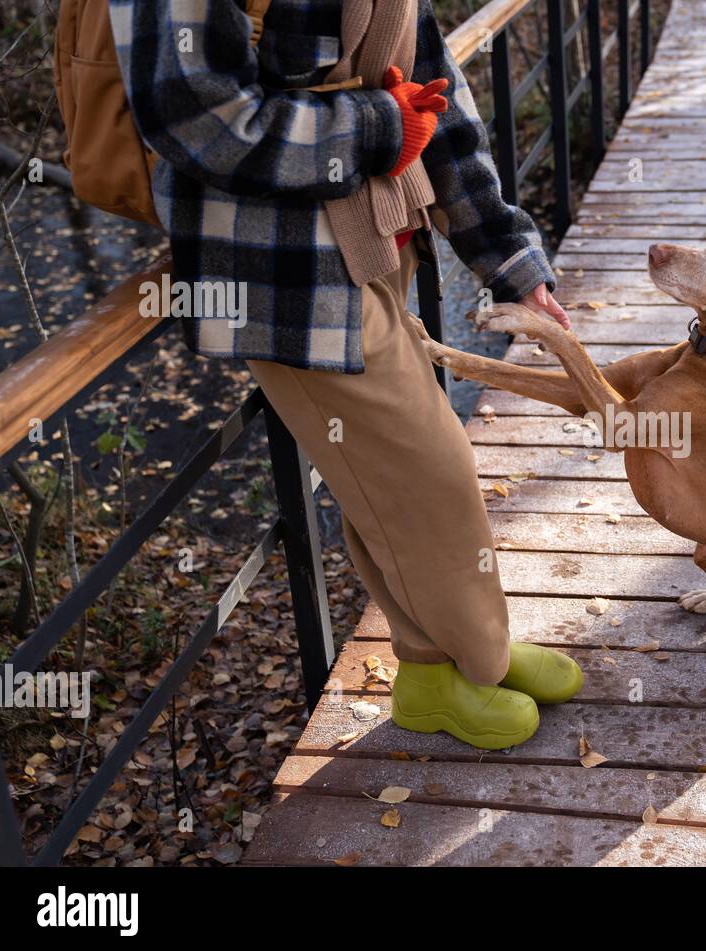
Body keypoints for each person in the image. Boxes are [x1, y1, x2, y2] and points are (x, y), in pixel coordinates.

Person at [109, 0, 583, 749]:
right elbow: (192, 116)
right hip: (281, 275)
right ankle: (477, 658)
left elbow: (432, 82)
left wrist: (506, 255)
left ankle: (443, 668)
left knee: (388, 477)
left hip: (379, 233)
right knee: (431, 470)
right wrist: (379, 126)